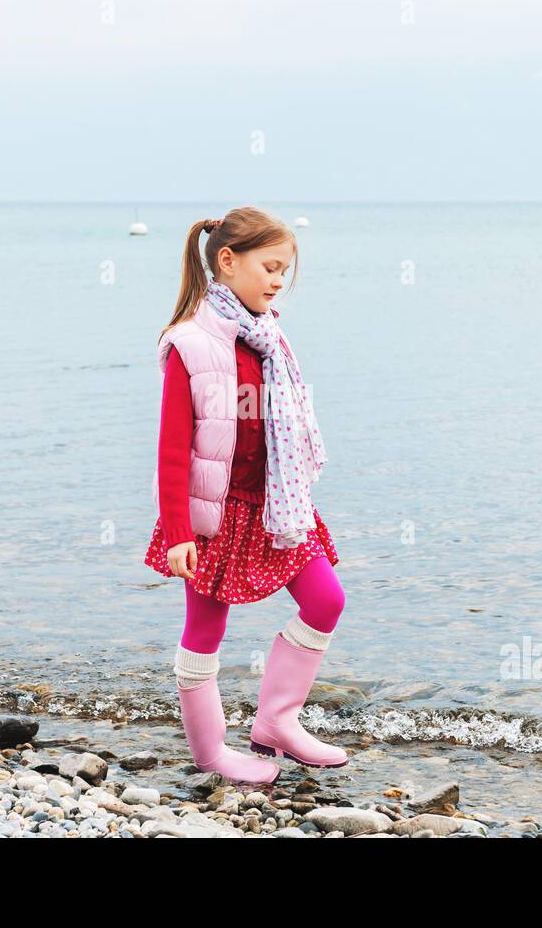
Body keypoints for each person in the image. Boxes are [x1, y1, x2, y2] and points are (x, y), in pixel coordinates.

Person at [143, 206, 350, 784]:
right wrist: (180, 531)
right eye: (271, 266)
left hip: (277, 507)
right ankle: (211, 752)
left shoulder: (267, 336)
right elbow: (172, 449)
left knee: (325, 600)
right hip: (215, 518)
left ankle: (277, 722)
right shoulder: (191, 345)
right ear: (228, 262)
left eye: (287, 269)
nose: (280, 279)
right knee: (206, 632)